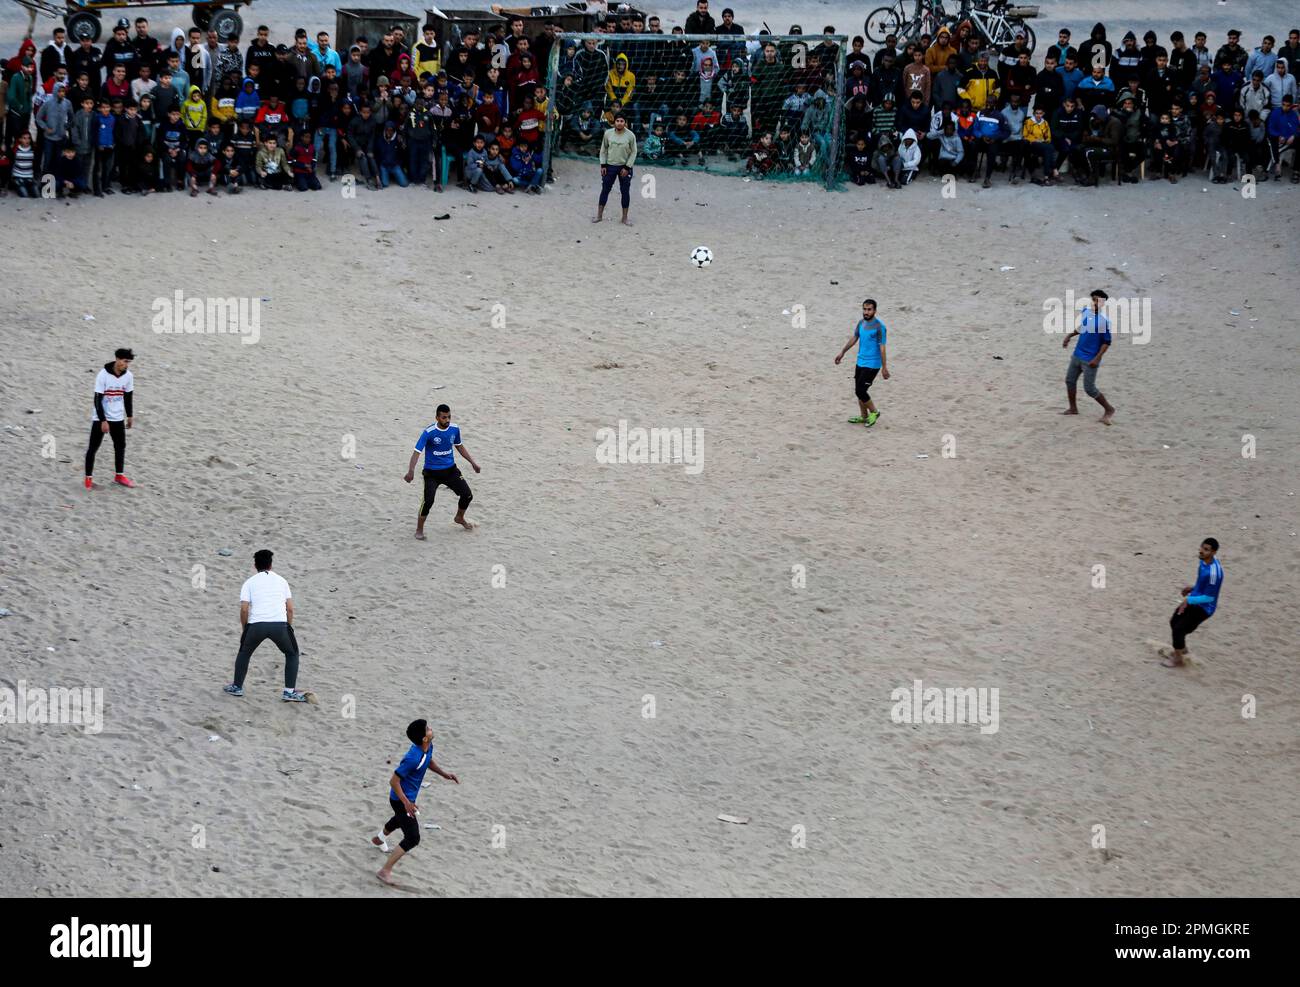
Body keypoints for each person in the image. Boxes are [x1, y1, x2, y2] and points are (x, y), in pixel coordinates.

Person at [373, 719, 458, 886]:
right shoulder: (412, 758)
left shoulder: (428, 747)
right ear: (424, 738)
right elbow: (393, 781)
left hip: (408, 799)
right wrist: (406, 803)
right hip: (400, 799)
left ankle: (379, 838)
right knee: (413, 837)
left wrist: (444, 774)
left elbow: (428, 761)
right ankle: (385, 871)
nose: (431, 729)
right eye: (427, 729)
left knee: (399, 819)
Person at [224, 549, 307, 701]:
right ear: (271, 564)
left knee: (244, 652)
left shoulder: (249, 582)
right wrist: (288, 627)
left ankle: (237, 687)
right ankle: (289, 692)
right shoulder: (282, 581)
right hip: (279, 626)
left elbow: (244, 609)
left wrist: (245, 629)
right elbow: (290, 608)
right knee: (292, 653)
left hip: (256, 625)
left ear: (255, 565)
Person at [404, 404, 480, 537]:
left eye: (449, 417)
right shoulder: (429, 432)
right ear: (437, 418)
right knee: (428, 501)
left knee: (467, 495)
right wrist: (411, 471)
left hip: (450, 471)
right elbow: (416, 452)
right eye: (444, 417)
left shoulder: (455, 429)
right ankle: (419, 530)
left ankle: (459, 518)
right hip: (431, 473)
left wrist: (473, 463)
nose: (447, 420)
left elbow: (460, 446)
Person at [1162, 539, 1224, 668]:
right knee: (1174, 622)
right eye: (1202, 547)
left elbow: (1209, 598)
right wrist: (1192, 588)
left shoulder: (1214, 573)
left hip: (1204, 608)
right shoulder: (1203, 561)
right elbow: (1203, 584)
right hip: (1195, 598)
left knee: (1179, 629)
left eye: (1206, 549)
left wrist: (1188, 600)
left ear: (1213, 552)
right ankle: (1182, 649)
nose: (1201, 551)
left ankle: (1178, 658)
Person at [1061, 289, 1116, 425]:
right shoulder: (1086, 312)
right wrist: (1069, 336)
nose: (1095, 303)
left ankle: (1109, 409)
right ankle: (1073, 408)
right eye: (1093, 299)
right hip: (1077, 355)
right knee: (1069, 381)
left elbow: (1106, 342)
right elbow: (1082, 327)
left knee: (1089, 389)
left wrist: (1097, 358)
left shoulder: (1104, 322)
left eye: (1098, 301)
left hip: (1090, 359)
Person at [85, 348, 135, 489]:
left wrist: (130, 416)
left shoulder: (128, 376)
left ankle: (119, 475)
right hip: (101, 418)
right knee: (93, 448)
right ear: (117, 359)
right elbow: (97, 400)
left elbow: (128, 397)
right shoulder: (103, 375)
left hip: (118, 418)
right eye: (125, 361)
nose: (126, 365)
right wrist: (103, 420)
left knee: (120, 447)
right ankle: (88, 478)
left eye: (128, 362)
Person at [834, 299, 889, 428]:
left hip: (873, 364)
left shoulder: (880, 327)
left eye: (869, 309)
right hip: (860, 362)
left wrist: (884, 367)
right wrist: (842, 352)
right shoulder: (861, 323)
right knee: (858, 390)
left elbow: (882, 347)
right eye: (864, 309)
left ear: (875, 311)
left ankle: (874, 412)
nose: (866, 312)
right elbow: (854, 338)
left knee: (860, 390)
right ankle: (864, 416)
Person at [594, 110, 636, 226]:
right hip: (610, 166)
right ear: (614, 122)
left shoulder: (630, 136)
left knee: (625, 192)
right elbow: (603, 150)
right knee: (605, 190)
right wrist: (603, 165)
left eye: (622, 121)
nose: (619, 123)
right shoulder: (608, 133)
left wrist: (627, 167)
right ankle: (599, 216)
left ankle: (624, 218)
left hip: (624, 167)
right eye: (617, 121)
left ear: (625, 123)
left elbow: (634, 152)